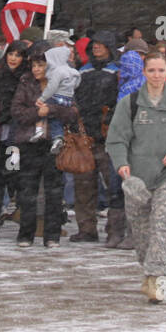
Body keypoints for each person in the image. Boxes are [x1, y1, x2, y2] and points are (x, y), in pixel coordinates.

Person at [106, 51, 166, 303]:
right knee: (141, 232)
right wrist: (122, 164)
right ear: (144, 73)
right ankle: (149, 272)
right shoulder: (130, 103)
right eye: (151, 71)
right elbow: (116, 139)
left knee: (161, 227)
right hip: (137, 178)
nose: (157, 76)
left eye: (161, 71)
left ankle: (158, 282)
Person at [10, 51, 76, 248]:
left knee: (54, 191)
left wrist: (53, 110)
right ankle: (25, 234)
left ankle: (52, 235)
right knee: (27, 190)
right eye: (34, 65)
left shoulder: (63, 81)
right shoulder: (26, 83)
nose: (37, 69)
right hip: (30, 142)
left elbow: (73, 112)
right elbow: (16, 111)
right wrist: (37, 112)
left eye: (41, 65)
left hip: (54, 144)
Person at [71, 32, 118, 242]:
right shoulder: (83, 70)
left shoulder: (117, 71)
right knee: (83, 187)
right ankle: (86, 229)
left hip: (108, 137)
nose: (97, 48)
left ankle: (114, 230)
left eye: (101, 44)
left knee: (114, 187)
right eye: (95, 45)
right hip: (84, 136)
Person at [0, 41, 30, 241]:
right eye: (11, 54)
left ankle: (18, 221)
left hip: (17, 136)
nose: (13, 58)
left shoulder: (26, 79)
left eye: (18, 55)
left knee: (14, 177)